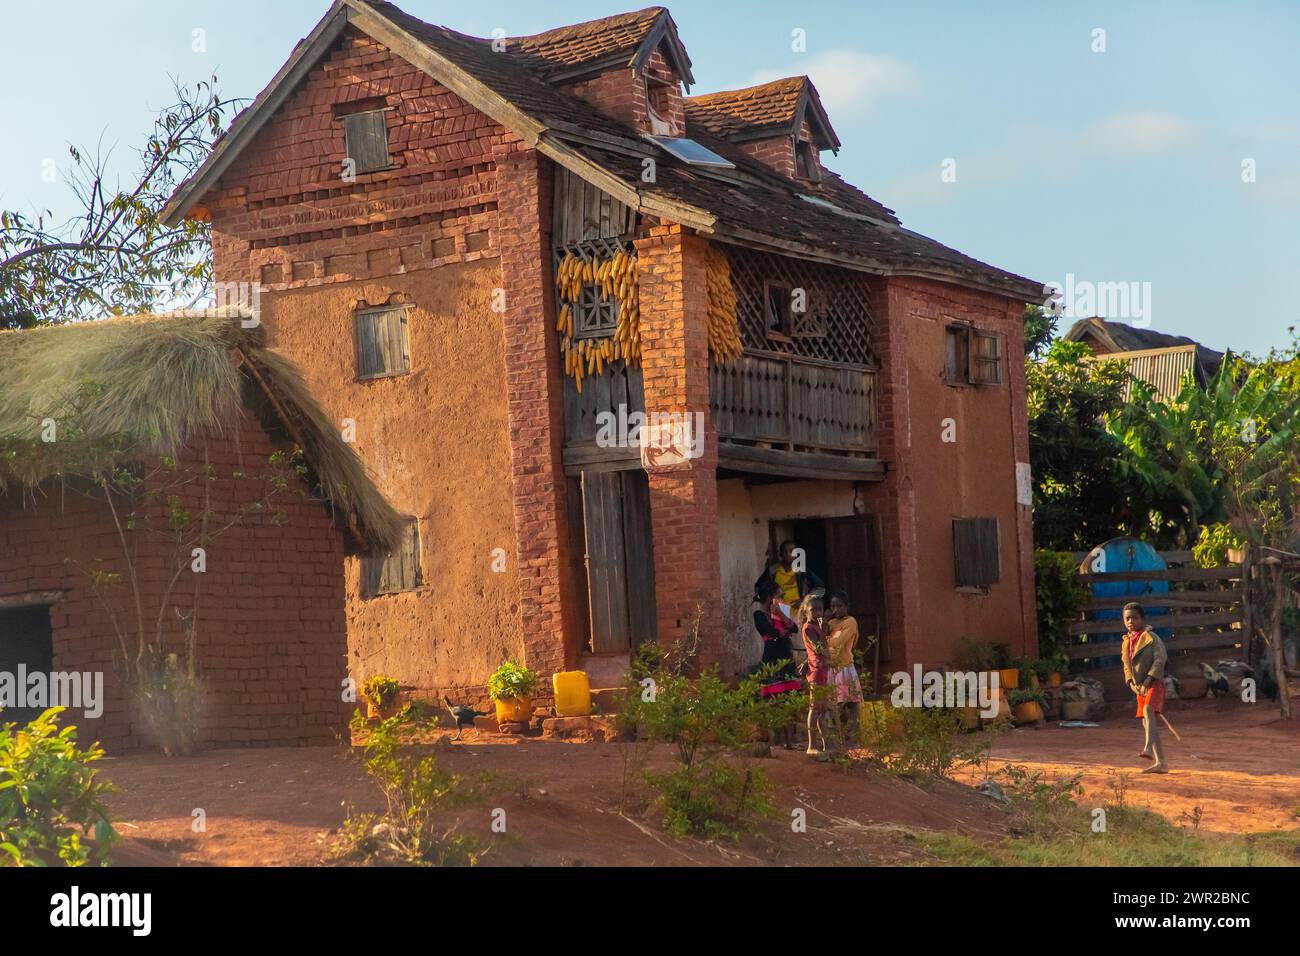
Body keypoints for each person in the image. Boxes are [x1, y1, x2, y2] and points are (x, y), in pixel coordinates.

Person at [1121, 602, 1170, 774]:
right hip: (1139, 688)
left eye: (1134, 617)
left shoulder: (1152, 638)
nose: (1131, 621)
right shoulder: (1126, 642)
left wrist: (1149, 679)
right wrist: (1132, 685)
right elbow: (1127, 667)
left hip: (1154, 683)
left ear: (1142, 619)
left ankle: (1148, 747)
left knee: (1149, 710)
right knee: (1148, 723)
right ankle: (1161, 763)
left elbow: (1160, 659)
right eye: (1127, 618)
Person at [753, 581, 802, 747]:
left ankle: (790, 741)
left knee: (789, 700)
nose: (782, 598)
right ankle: (776, 740)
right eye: (779, 596)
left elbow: (794, 628)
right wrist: (783, 629)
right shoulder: (759, 616)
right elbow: (771, 632)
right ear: (770, 598)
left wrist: (781, 614)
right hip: (772, 660)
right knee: (774, 700)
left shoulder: (782, 612)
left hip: (786, 659)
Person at [799, 593, 837, 756]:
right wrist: (823, 630)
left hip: (823, 669)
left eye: (820, 609)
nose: (817, 613)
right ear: (806, 612)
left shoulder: (819, 626)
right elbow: (818, 648)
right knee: (815, 707)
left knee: (822, 707)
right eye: (813, 609)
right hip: (815, 670)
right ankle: (811, 745)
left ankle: (825, 744)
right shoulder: (808, 628)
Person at [826, 591, 863, 742]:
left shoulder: (851, 622)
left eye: (839, 606)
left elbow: (838, 643)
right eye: (833, 606)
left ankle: (853, 738)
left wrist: (825, 639)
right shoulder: (830, 623)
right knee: (835, 705)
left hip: (845, 667)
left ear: (846, 606)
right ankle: (840, 739)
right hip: (831, 668)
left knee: (851, 704)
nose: (835, 609)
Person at [754, 540, 825, 616]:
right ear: (780, 554)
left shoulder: (801, 571)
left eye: (791, 551)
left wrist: (804, 601)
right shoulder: (773, 570)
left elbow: (820, 588)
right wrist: (770, 599)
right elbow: (758, 587)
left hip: (798, 612)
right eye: (784, 552)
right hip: (779, 612)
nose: (788, 554)